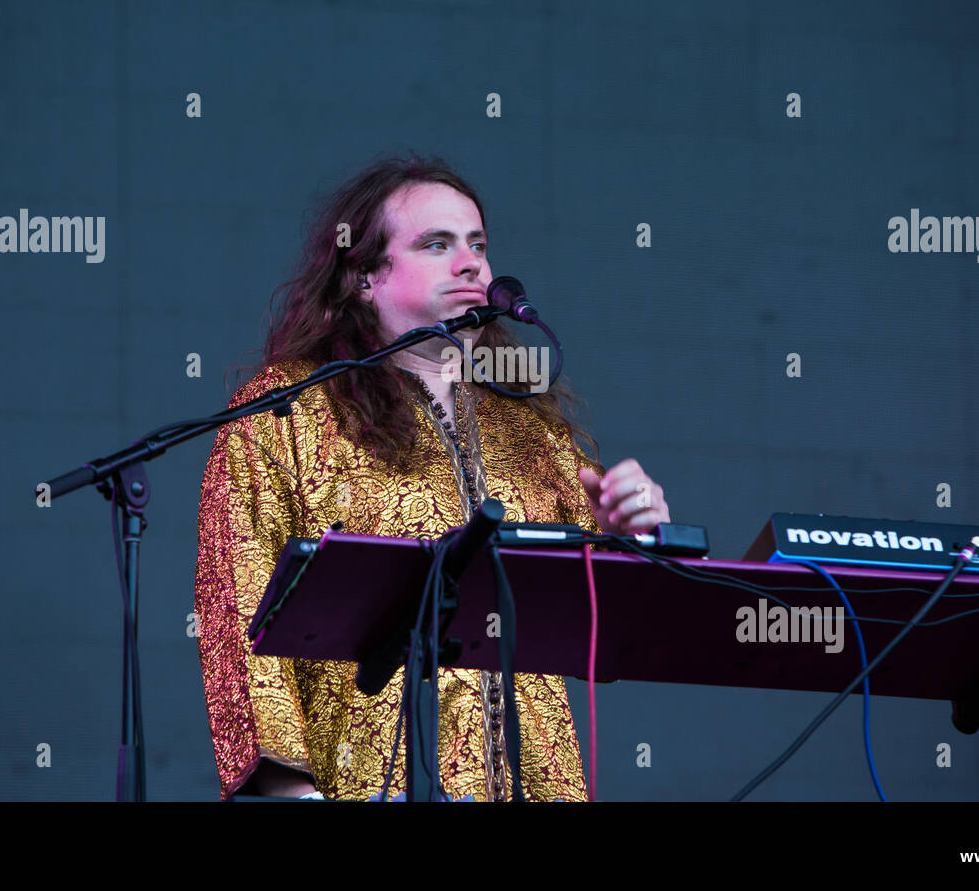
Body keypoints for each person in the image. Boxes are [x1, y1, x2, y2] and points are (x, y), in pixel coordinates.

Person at [194, 154, 670, 801]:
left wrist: (628, 540)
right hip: (362, 785)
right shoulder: (286, 411)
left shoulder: (533, 431)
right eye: (436, 244)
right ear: (363, 276)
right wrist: (287, 791)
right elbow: (238, 606)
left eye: (478, 244)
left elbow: (603, 632)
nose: (472, 263)